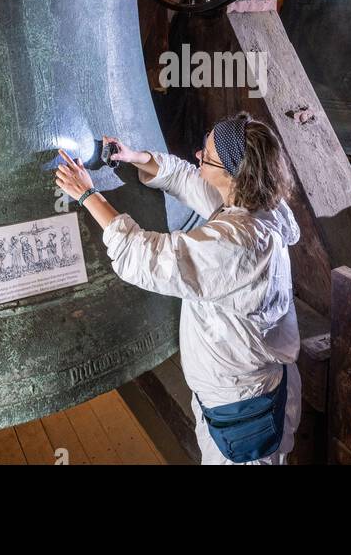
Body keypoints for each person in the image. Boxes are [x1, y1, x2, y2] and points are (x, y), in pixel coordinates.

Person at [54, 113, 302, 465]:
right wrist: (136, 157)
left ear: (233, 174)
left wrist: (88, 194)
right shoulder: (259, 205)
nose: (198, 156)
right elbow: (190, 180)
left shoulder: (237, 243)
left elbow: (145, 256)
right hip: (244, 390)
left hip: (243, 408)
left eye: (206, 153)